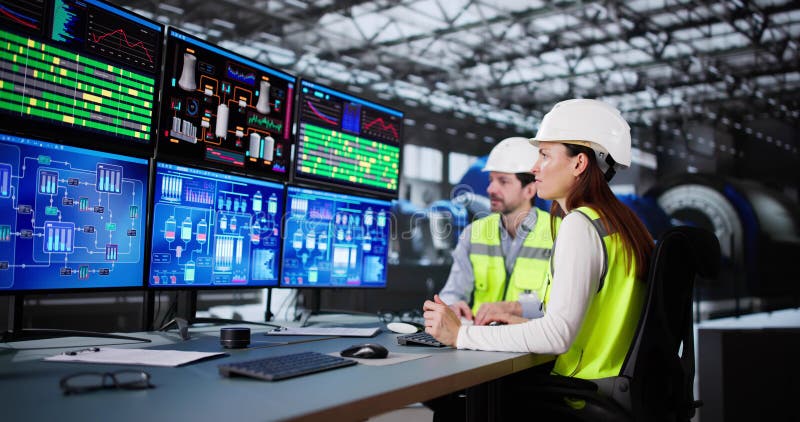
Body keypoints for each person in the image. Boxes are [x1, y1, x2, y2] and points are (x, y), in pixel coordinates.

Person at [423, 99, 655, 416]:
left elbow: (557, 336)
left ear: (579, 163)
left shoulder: (579, 224)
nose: (535, 167)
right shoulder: (618, 223)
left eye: (545, 155)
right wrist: (519, 321)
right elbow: (593, 319)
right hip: (612, 387)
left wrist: (461, 334)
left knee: (455, 405)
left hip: (581, 393)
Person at [438, 136, 554, 326]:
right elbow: (452, 292)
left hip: (530, 340)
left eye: (503, 181)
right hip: (479, 337)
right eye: (491, 180)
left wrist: (513, 308)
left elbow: (563, 306)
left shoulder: (557, 233)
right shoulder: (473, 233)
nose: (491, 189)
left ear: (530, 190)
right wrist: (452, 305)